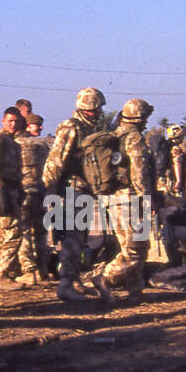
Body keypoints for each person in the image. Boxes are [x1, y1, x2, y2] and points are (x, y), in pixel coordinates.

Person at [43, 87, 106, 303]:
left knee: (79, 238)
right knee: (71, 239)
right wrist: (50, 192)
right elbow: (56, 160)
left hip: (82, 191)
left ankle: (74, 280)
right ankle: (66, 285)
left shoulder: (88, 129)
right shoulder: (71, 128)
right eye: (97, 109)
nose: (99, 113)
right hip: (69, 191)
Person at [93, 99, 156, 304]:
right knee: (136, 249)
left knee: (130, 246)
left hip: (112, 198)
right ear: (141, 118)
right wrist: (147, 198)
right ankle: (104, 277)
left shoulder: (114, 135)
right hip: (130, 198)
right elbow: (138, 172)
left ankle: (135, 292)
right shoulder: (134, 137)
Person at [0, 106, 26, 292]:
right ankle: (2, 275)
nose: (13, 124)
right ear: (3, 121)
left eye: (16, 121)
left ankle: (2, 273)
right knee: (12, 232)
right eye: (9, 121)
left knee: (4, 233)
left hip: (13, 188)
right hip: (4, 188)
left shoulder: (14, 143)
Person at [14, 112, 51, 286]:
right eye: (38, 125)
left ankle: (29, 271)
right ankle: (43, 269)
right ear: (28, 126)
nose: (41, 128)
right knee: (41, 233)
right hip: (41, 192)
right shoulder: (42, 144)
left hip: (24, 193)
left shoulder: (15, 143)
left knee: (24, 232)